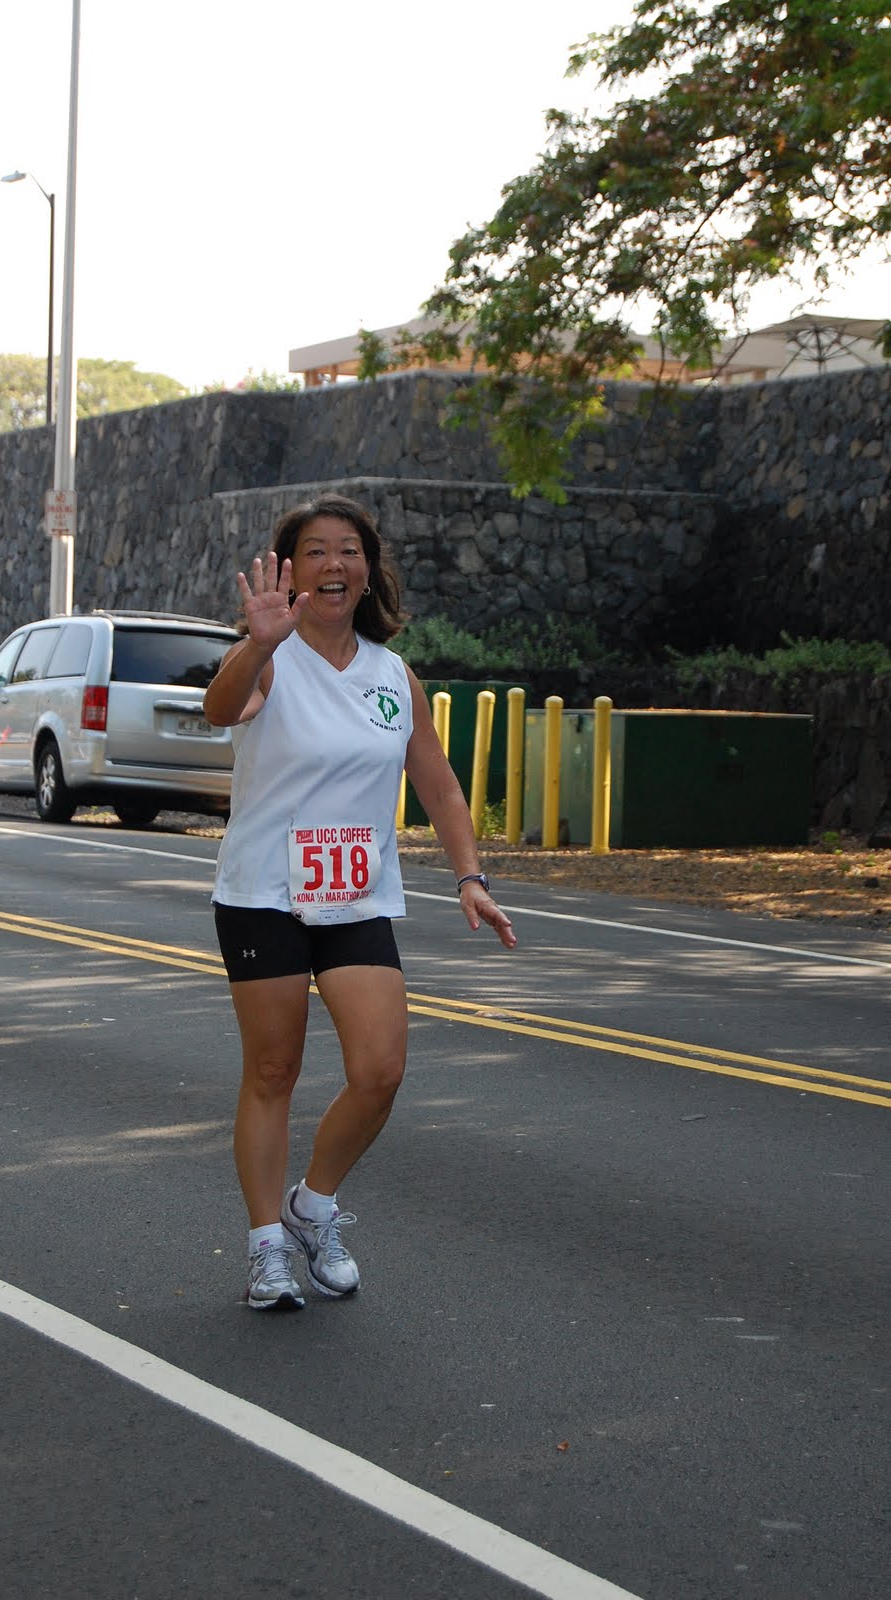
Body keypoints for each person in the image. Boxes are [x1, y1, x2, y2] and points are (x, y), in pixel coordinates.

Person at [203, 493, 517, 1312]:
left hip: (354, 897)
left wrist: (469, 876)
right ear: (291, 569)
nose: (333, 564)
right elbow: (219, 710)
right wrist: (255, 644)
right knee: (273, 1071)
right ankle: (266, 1244)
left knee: (380, 1071)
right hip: (264, 895)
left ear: (368, 569)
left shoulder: (390, 672)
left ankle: (313, 1207)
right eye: (315, 551)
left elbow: (440, 785)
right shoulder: (271, 657)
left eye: (349, 550)